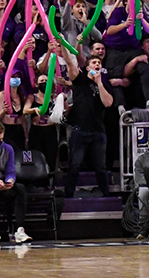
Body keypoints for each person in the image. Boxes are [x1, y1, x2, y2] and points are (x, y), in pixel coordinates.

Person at [65, 52, 111, 200]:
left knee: (101, 167)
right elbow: (71, 64)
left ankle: (106, 195)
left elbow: (108, 103)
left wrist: (99, 83)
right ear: (87, 67)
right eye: (94, 63)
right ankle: (68, 196)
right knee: (75, 165)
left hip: (98, 132)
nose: (97, 65)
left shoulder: (103, 84)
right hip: (80, 130)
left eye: (99, 63)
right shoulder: (80, 80)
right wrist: (63, 45)